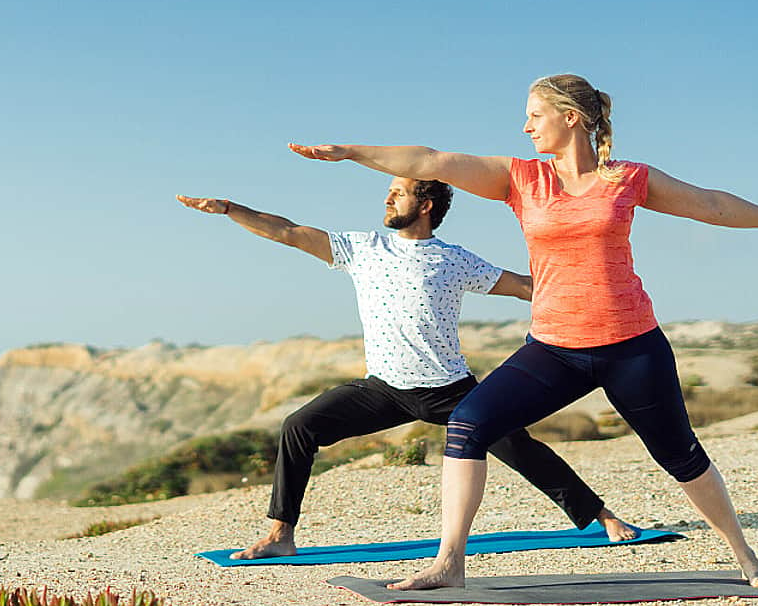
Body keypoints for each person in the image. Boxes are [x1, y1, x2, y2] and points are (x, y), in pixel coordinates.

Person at [291, 73, 758, 589]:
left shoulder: (626, 177)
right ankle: (449, 562)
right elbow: (431, 160)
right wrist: (350, 153)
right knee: (469, 423)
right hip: (555, 348)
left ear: (571, 118)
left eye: (534, 115)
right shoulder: (522, 179)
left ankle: (745, 555)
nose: (526, 127)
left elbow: (710, 205)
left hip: (631, 346)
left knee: (680, 455)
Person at [176, 175, 638, 560]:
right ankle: (281, 535)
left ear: (426, 204)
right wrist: (230, 209)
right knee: (300, 426)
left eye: (398, 191)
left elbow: (523, 286)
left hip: (450, 390)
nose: (387, 197)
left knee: (521, 449)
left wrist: (599, 288)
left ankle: (601, 517)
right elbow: (289, 231)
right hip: (384, 388)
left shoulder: (453, 260)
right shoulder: (363, 249)